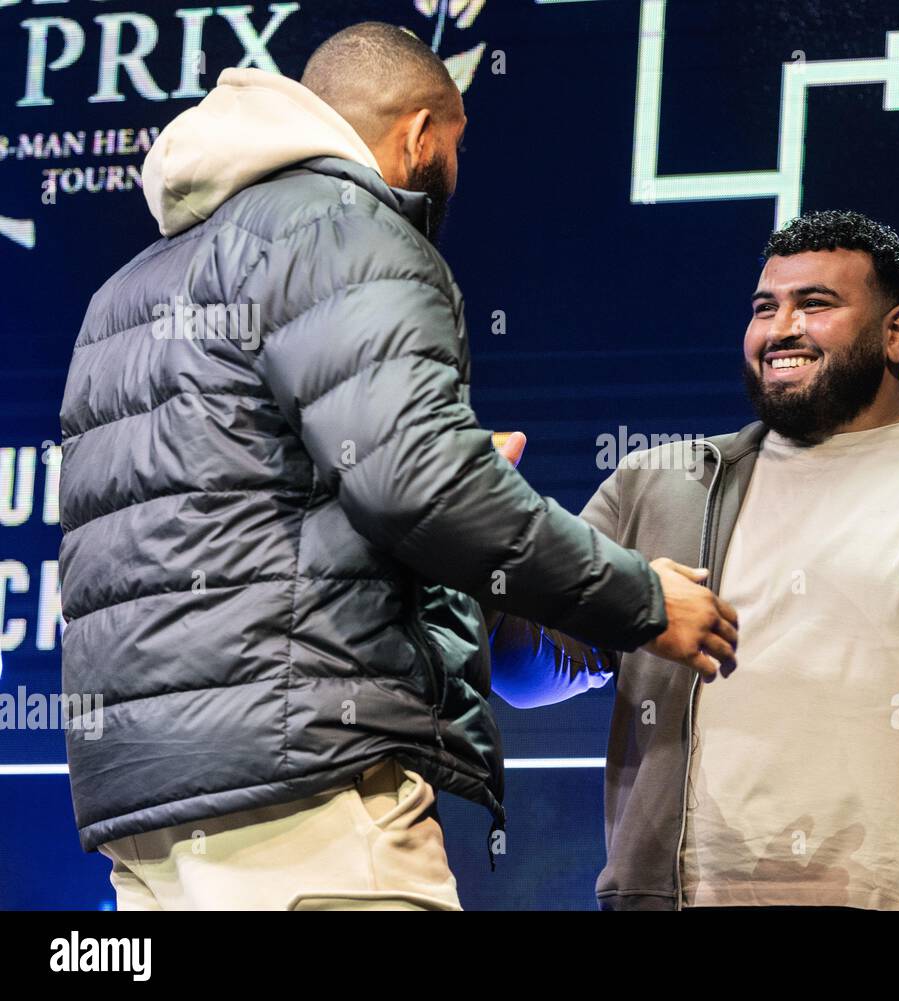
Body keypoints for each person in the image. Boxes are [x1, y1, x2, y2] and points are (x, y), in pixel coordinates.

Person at [56, 21, 736, 911]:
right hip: (307, 798)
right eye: (452, 151)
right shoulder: (350, 228)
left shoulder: (126, 293)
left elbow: (242, 510)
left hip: (148, 813)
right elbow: (421, 487)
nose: (450, 175)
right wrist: (642, 599)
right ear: (420, 137)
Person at [490, 209, 899, 911]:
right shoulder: (658, 484)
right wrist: (492, 546)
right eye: (764, 308)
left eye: (815, 304)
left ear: (896, 331)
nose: (780, 329)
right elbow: (527, 674)